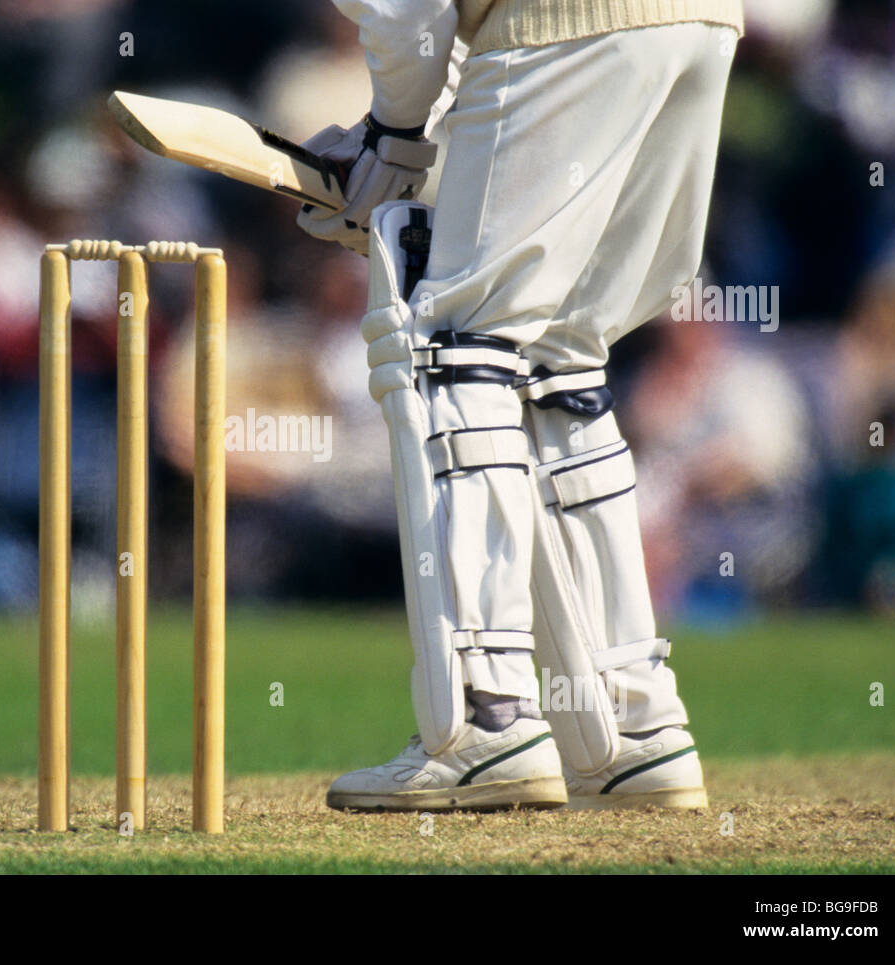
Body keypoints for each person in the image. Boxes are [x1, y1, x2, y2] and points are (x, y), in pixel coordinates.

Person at [296, 0, 744, 810]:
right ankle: (635, 726)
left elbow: (410, 11)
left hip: (562, 22)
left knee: (457, 351)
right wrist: (395, 140)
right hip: (703, 25)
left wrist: (391, 141)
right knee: (557, 356)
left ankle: (484, 718)